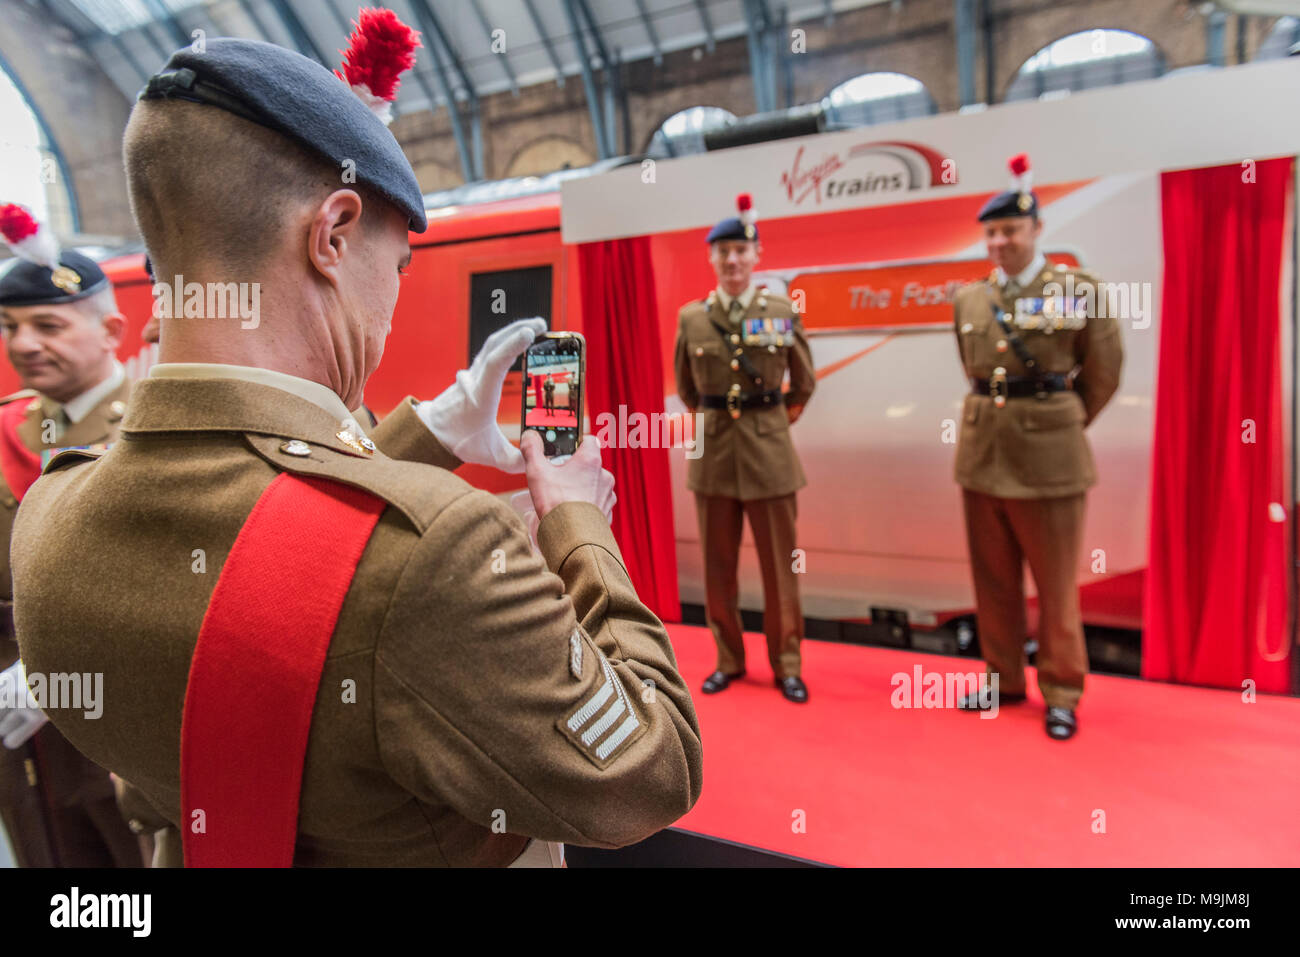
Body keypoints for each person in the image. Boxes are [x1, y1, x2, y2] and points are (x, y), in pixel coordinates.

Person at [12, 16, 702, 867]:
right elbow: (649, 773)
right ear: (333, 234)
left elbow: (283, 547)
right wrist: (577, 525)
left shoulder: (50, 518)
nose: (394, 299)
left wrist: (438, 426)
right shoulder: (438, 550)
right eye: (399, 262)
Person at [951, 154, 1124, 740]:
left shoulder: (1080, 290)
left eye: (1010, 230)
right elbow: (976, 373)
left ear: (1035, 229)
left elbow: (1102, 375)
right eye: (991, 232)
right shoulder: (970, 301)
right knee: (993, 581)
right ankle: (1001, 679)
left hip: (1051, 462)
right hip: (982, 456)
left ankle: (1061, 689)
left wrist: (1061, 426)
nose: (999, 241)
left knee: (1054, 585)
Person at [0, 207, 141, 866]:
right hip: (21, 732)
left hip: (123, 716)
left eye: (48, 325)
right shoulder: (7, 429)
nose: (24, 343)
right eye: (10, 326)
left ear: (111, 329)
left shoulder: (154, 425)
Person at [673, 193, 816, 703]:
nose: (732, 260)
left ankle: (787, 664)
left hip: (770, 452)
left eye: (740, 250)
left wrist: (771, 422)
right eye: (723, 252)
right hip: (714, 456)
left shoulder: (779, 312)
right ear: (711, 259)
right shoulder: (692, 318)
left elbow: (803, 382)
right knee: (718, 566)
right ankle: (729, 659)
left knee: (781, 568)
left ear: (756, 256)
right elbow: (689, 389)